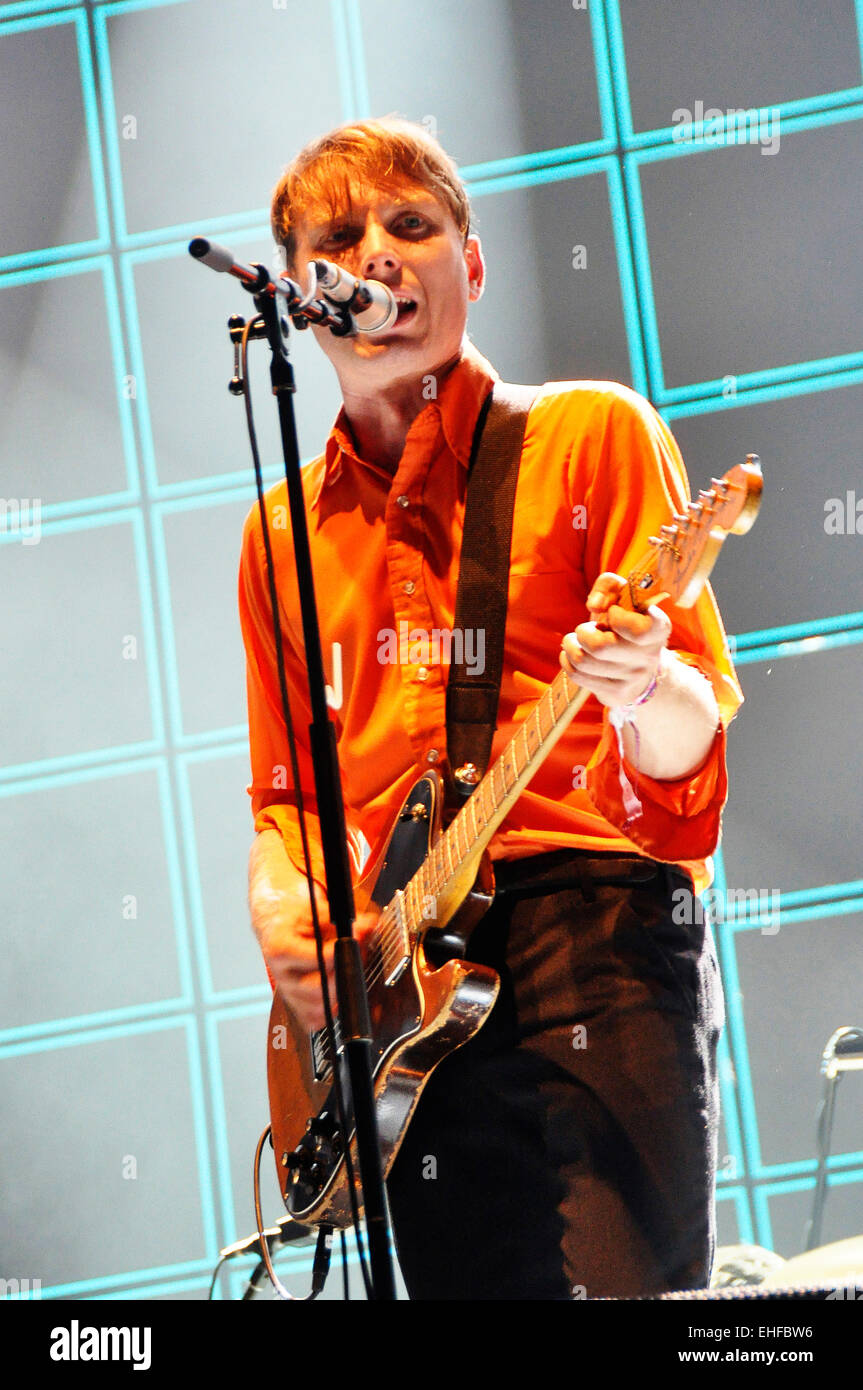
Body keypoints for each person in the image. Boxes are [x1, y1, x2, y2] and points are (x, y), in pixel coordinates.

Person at [239, 116, 742, 1301]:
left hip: (596, 938)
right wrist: (280, 901)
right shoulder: (278, 541)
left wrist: (640, 685)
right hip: (403, 992)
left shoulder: (589, 435)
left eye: (412, 227)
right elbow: (287, 797)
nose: (378, 258)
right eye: (341, 239)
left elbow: (687, 754)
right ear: (305, 297)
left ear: (469, 264)